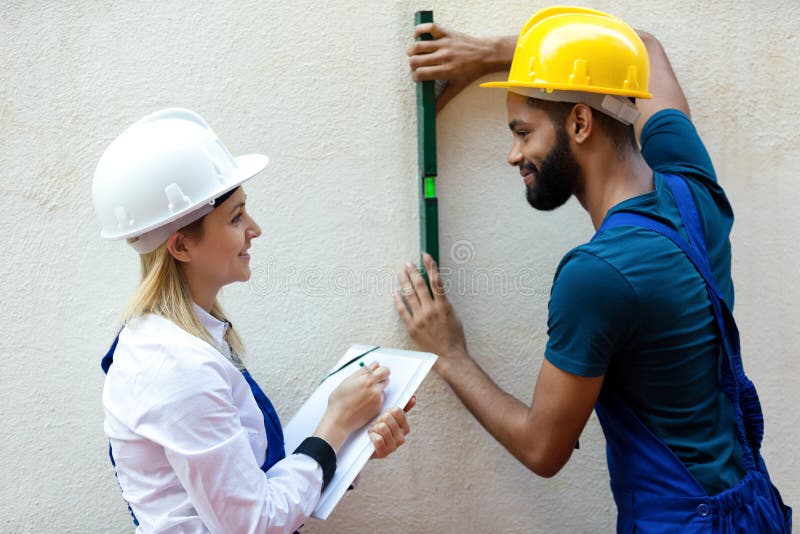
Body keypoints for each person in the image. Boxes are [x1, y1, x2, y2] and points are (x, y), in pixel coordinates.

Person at [397, 6, 791, 532]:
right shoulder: (691, 185)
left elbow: (543, 448)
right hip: (755, 505)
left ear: (580, 122)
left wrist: (450, 355)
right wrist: (486, 56)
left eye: (523, 132)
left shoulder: (598, 274)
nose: (514, 155)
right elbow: (644, 46)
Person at [93, 108, 413, 533]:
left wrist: (350, 441)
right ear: (182, 246)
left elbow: (249, 480)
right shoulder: (175, 368)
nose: (255, 229)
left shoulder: (178, 340)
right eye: (236, 216)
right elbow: (254, 522)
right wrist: (335, 427)